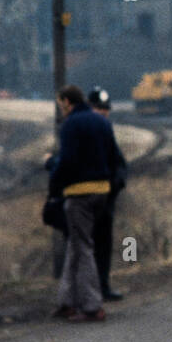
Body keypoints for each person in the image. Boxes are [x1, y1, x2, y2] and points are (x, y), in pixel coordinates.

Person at [50, 85, 117, 322]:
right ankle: (66, 301)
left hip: (79, 193)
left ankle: (92, 305)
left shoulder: (70, 125)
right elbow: (113, 157)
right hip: (102, 191)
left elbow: (66, 160)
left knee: (84, 246)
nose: (61, 110)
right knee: (76, 245)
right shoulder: (102, 122)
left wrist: (54, 183)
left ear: (67, 102)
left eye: (61, 105)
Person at [87, 86, 127, 301]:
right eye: (98, 108)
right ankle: (88, 290)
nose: (103, 112)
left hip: (106, 199)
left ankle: (102, 285)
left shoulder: (107, 131)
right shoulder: (81, 131)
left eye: (105, 108)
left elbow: (119, 162)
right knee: (86, 247)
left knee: (103, 245)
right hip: (87, 198)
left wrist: (117, 182)